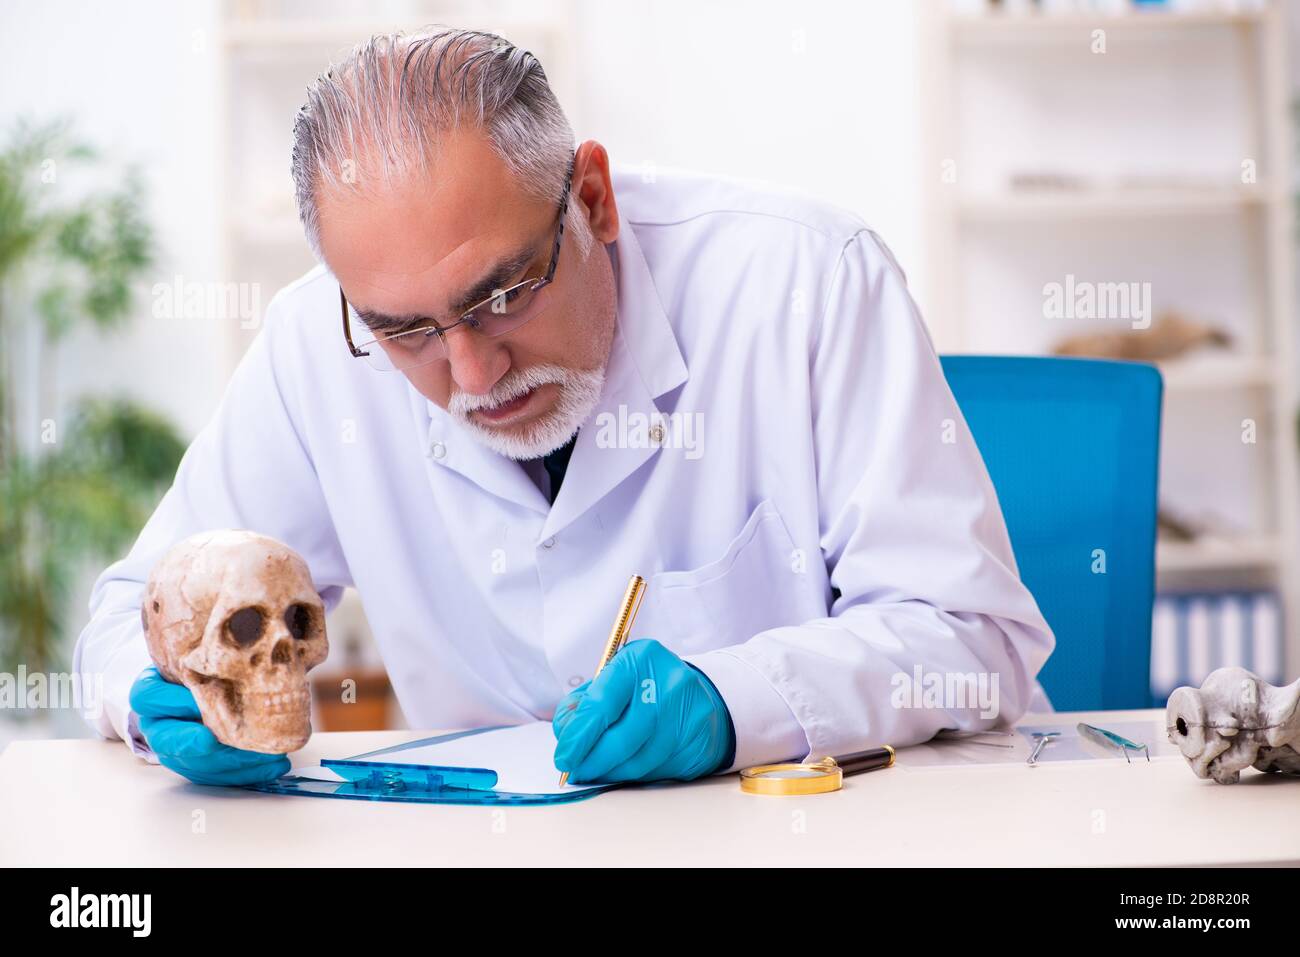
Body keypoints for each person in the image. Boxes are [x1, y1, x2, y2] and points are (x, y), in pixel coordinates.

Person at [75, 27, 1053, 787]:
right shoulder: (313, 347)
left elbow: (973, 636)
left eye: (503, 294)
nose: (469, 371)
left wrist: (735, 698)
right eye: (405, 331)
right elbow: (130, 611)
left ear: (590, 198)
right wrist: (155, 696)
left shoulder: (807, 283)